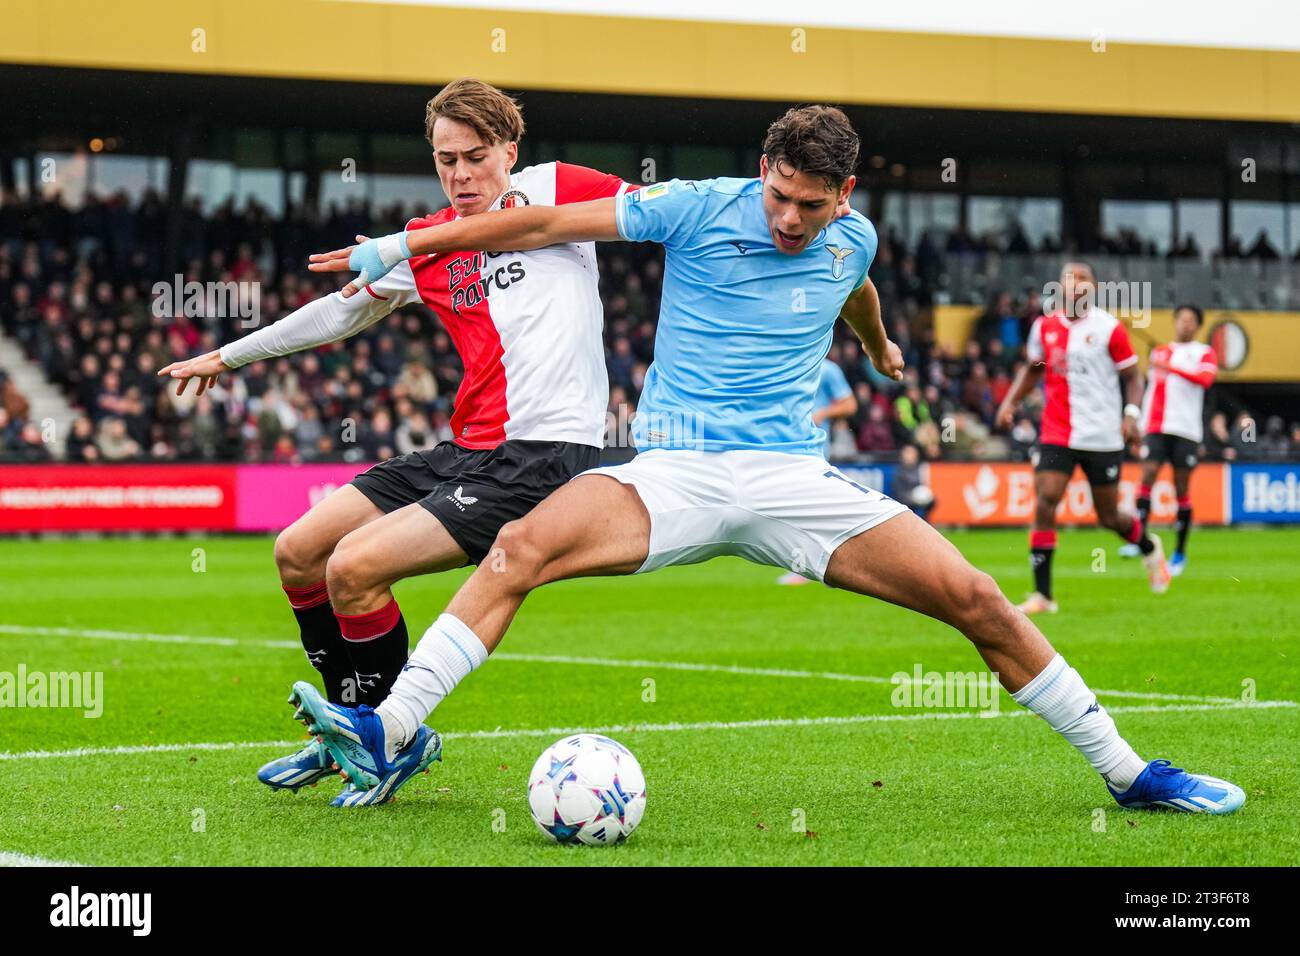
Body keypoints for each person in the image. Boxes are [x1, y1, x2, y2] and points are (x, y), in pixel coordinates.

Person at [297, 106, 1244, 817]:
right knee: (518, 552)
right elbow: (535, 227)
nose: (790, 220)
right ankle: (390, 726)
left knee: (978, 601)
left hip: (794, 480)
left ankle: (1128, 772)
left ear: (845, 198)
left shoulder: (851, 238)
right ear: (762, 172)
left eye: (811, 205)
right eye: (779, 196)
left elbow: (859, 286)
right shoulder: (695, 207)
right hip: (673, 469)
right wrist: (399, 242)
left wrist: (878, 347)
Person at [158, 79, 633, 806]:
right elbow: (335, 316)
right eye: (446, 160)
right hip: (463, 449)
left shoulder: (557, 189)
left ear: (511, 150)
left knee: (355, 567)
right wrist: (227, 357)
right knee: (298, 550)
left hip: (543, 454)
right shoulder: (429, 242)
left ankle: (388, 739)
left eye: (476, 157)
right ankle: (350, 726)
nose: (461, 175)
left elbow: (663, 211)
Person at [995, 262, 1169, 615]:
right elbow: (1033, 370)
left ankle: (1148, 545)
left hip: (1102, 435)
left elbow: (1134, 378)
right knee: (1046, 500)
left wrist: (1132, 415)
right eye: (1070, 278)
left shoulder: (1110, 330)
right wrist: (1010, 402)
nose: (1076, 285)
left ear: (1094, 288)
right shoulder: (1044, 326)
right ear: (1060, 286)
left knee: (1108, 517)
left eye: (1083, 279)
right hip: (1057, 431)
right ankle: (1043, 596)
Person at [1125, 305, 1216, 574]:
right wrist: (1139, 425)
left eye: (1190, 320)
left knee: (1181, 489)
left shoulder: (1203, 352)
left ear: (1197, 325)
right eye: (1181, 319)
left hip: (1185, 429)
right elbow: (1152, 390)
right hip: (1155, 427)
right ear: (1175, 322)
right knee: (1148, 476)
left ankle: (1179, 552)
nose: (1184, 324)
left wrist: (1172, 367)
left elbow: (1206, 379)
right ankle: (1139, 540)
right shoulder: (1160, 351)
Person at [777, 354, 857, 584]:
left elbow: (850, 404)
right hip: (786, 446)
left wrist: (823, 413)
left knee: (807, 509)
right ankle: (814, 566)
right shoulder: (787, 362)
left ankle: (809, 567)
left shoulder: (828, 369)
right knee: (795, 508)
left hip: (815, 449)